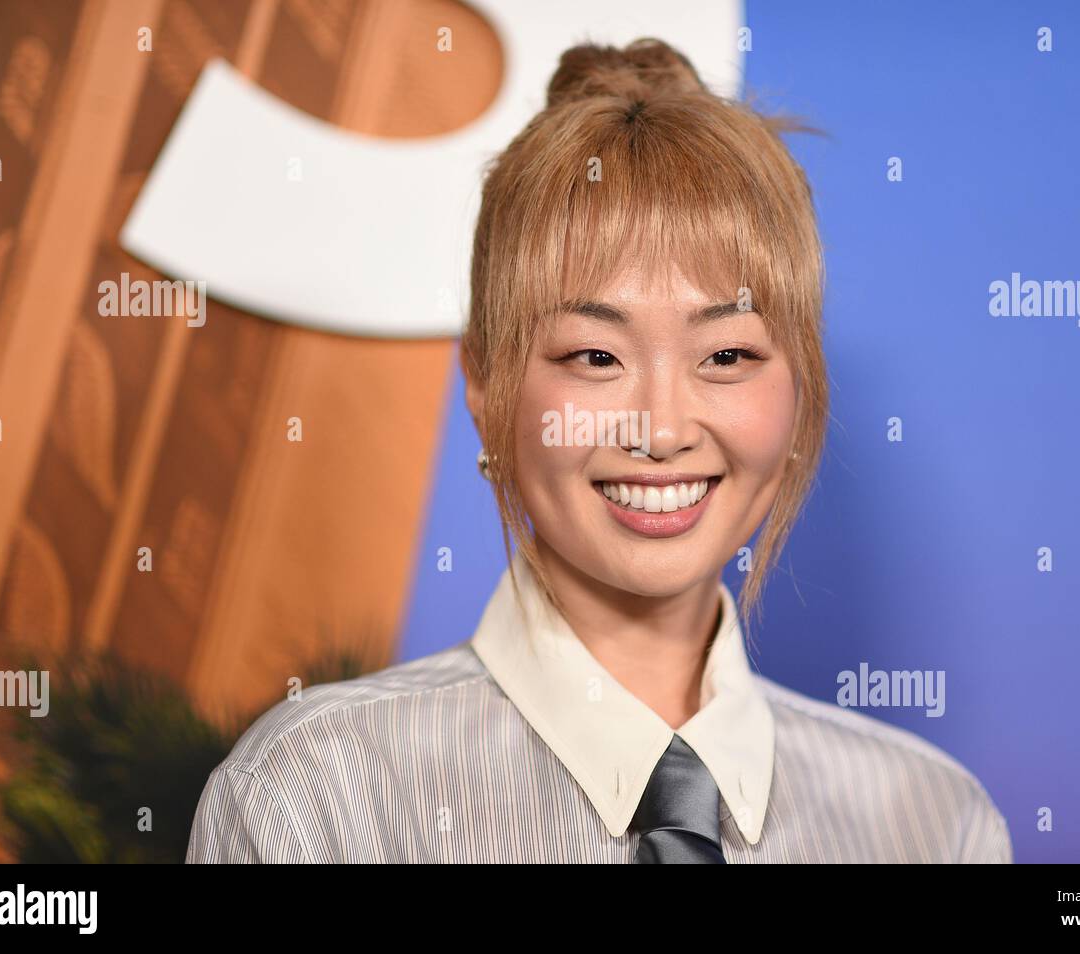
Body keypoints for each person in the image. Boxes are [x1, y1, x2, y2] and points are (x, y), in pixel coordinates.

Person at [186, 37, 1012, 864]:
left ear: (798, 389)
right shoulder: (316, 798)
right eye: (595, 356)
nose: (660, 431)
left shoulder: (933, 824)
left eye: (727, 356)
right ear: (484, 383)